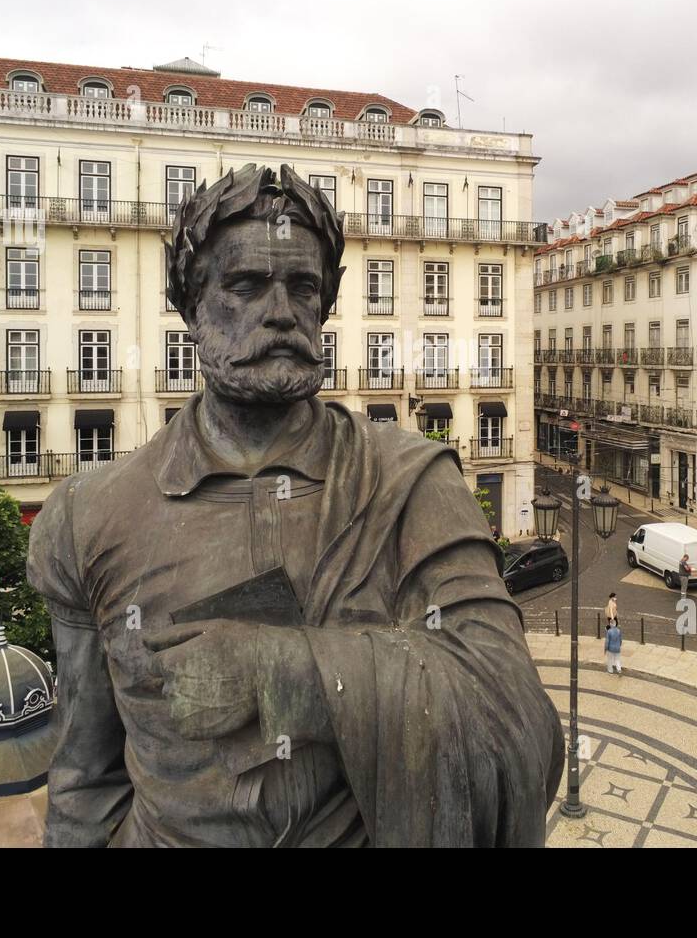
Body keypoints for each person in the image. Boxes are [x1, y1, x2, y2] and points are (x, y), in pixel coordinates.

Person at [28, 163, 563, 847]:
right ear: (190, 307)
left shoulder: (410, 483)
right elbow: (83, 781)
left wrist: (290, 674)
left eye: (302, 287)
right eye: (246, 284)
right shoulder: (86, 515)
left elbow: (515, 712)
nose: (280, 310)